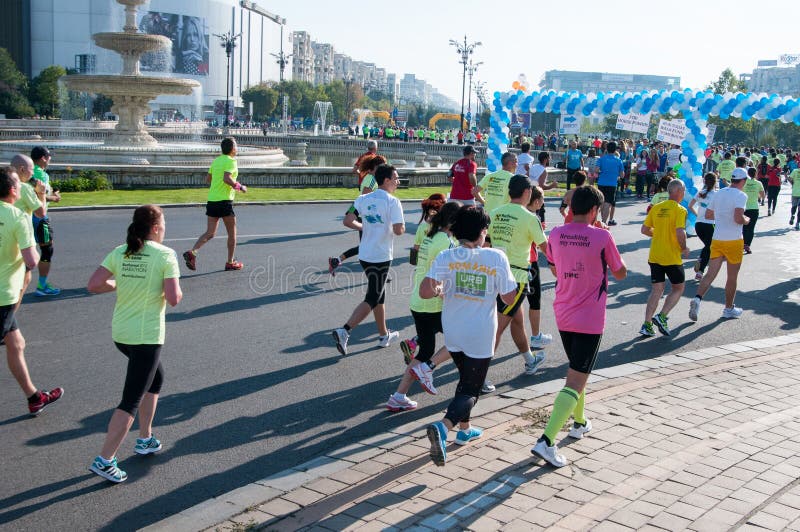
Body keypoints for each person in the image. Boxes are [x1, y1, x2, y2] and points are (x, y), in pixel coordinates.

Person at [531, 186, 627, 467]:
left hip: (563, 312)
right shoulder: (602, 235)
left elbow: (556, 268)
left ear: (572, 208)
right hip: (590, 317)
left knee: (578, 369)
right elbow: (620, 274)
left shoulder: (557, 234)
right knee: (575, 379)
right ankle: (546, 441)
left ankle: (579, 422)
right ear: (595, 210)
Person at [87, 205, 183, 483]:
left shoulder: (121, 251)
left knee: (156, 379)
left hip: (122, 334)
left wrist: (118, 283)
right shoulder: (166, 255)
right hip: (146, 336)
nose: (165, 229)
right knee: (131, 399)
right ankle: (105, 460)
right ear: (155, 228)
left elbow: (94, 284)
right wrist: (177, 289)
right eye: (164, 224)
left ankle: (145, 438)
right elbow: (174, 298)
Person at [421, 206, 518, 466]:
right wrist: (513, 284)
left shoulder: (446, 255)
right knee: (472, 390)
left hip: (453, 330)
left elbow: (425, 291)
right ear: (482, 232)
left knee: (465, 379)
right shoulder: (496, 257)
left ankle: (465, 430)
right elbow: (509, 298)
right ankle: (443, 427)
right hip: (480, 333)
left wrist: (439, 286)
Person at [0, 167, 63, 416]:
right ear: (14, 190)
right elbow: (32, 259)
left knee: (16, 343)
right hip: (3, 294)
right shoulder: (17, 217)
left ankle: (34, 397)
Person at [387, 201, 460, 412]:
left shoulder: (431, 235)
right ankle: (461, 382)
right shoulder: (446, 242)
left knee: (427, 350)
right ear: (454, 221)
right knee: (458, 341)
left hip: (419, 302)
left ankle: (399, 396)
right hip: (432, 303)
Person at [332, 164, 405, 355]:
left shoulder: (362, 198)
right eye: (396, 178)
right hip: (381, 256)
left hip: (364, 254)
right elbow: (398, 230)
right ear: (387, 180)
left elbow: (348, 220)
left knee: (379, 295)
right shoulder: (393, 202)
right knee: (373, 297)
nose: (398, 182)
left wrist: (364, 228)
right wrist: (398, 228)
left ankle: (383, 335)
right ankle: (345, 331)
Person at [488, 175, 548, 376]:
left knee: (517, 321)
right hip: (516, 279)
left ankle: (530, 360)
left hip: (494, 275)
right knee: (496, 329)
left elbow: (486, 245)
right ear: (527, 192)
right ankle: (477, 376)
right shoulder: (530, 218)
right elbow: (547, 248)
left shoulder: (494, 213)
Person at [689, 168, 750, 321]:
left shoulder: (719, 193)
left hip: (717, 238)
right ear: (742, 181)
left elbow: (709, 214)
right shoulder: (741, 195)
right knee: (732, 277)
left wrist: (723, 214)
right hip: (734, 239)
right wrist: (746, 220)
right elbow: (738, 218)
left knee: (710, 274)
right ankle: (728, 308)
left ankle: (697, 299)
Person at [183, 138, 247, 271]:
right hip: (224, 201)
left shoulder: (216, 161)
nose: (237, 148)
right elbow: (227, 178)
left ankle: (192, 252)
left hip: (212, 200)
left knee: (210, 232)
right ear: (232, 149)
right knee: (232, 234)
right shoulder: (231, 161)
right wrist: (240, 187)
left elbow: (208, 179)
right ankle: (230, 262)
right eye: (236, 146)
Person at [640, 180, 689, 337]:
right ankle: (662, 316)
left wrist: (660, 234)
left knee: (656, 290)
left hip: (655, 255)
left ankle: (647, 324)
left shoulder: (657, 207)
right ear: (678, 191)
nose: (684, 193)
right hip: (671, 256)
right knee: (678, 288)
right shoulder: (680, 210)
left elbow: (644, 229)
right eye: (683, 190)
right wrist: (683, 248)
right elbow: (680, 232)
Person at [328, 155, 388, 275]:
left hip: (366, 216)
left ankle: (337, 260)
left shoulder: (370, 177)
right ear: (376, 167)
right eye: (382, 167)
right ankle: (378, 273)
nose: (384, 169)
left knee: (367, 246)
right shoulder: (371, 180)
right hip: (365, 217)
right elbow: (366, 199)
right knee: (368, 246)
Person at [29, 146, 61, 296]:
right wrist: (54, 198)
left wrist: (52, 193)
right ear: (43, 158)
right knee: (47, 250)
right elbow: (37, 194)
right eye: (49, 156)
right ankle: (42, 285)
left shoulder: (30, 171)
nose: (50, 159)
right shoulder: (40, 174)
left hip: (28, 217)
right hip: (39, 218)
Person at [524, 185, 551, 351]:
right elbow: (544, 246)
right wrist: (556, 262)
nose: (543, 202)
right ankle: (535, 336)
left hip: (513, 263)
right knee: (534, 301)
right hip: (529, 263)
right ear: (536, 201)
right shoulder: (532, 218)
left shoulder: (520, 213)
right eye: (542, 199)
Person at [688, 173, 717, 281]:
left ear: (704, 181)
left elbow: (690, 206)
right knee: (709, 247)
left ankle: (701, 261)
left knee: (708, 246)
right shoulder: (716, 195)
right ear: (715, 182)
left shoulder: (700, 193)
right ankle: (700, 270)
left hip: (698, 225)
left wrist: (697, 215)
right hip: (709, 225)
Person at [595, 141, 624, 226]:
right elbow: (622, 175)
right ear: (615, 150)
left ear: (607, 149)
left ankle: (601, 222)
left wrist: (602, 171)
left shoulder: (601, 159)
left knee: (602, 203)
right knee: (607, 204)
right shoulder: (619, 160)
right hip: (612, 184)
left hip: (601, 183)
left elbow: (596, 170)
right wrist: (617, 174)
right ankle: (603, 223)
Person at [742, 167, 765, 254]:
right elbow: (763, 196)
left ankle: (742, 244)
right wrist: (757, 196)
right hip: (754, 208)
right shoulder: (759, 183)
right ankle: (747, 245)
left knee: (744, 227)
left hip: (744, 208)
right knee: (751, 228)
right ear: (755, 174)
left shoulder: (744, 183)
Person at [789, 164, 800, 230]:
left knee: (794, 206)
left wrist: (793, 183)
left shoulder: (795, 171)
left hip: (795, 192)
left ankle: (792, 215)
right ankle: (797, 223)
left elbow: (790, 179)